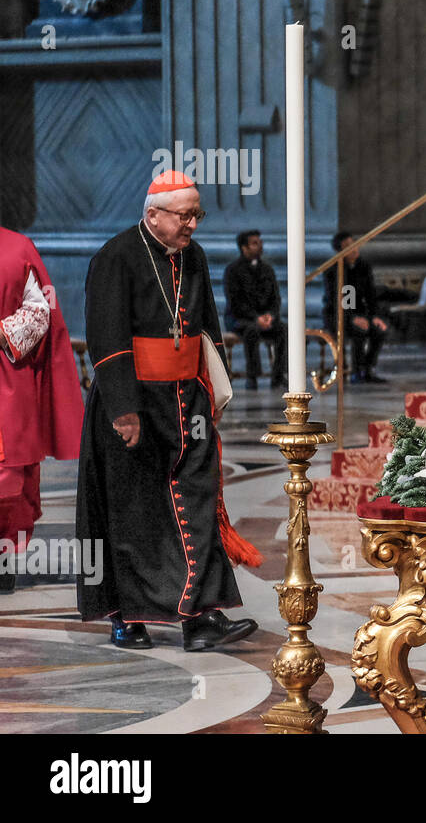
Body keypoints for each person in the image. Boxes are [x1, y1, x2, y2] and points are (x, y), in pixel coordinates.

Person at [76, 169, 260, 651]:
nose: (193, 224)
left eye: (197, 214)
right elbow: (107, 339)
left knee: (197, 502)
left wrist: (213, 388)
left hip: (185, 400)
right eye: (185, 215)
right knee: (132, 514)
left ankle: (200, 618)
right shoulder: (116, 256)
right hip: (133, 404)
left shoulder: (193, 257)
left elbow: (206, 327)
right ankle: (126, 617)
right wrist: (123, 410)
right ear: (153, 215)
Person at [0, 229, 83, 594]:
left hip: (5, 378)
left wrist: (3, 331)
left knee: (7, 479)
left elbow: (39, 310)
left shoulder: (17, 247)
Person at [223, 229, 287, 391]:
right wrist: (256, 317)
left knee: (284, 330)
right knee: (252, 330)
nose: (259, 246)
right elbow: (235, 301)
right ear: (244, 248)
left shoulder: (267, 270)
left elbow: (275, 298)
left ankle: (278, 375)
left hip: (266, 318)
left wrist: (270, 316)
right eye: (254, 243)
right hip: (240, 318)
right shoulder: (233, 270)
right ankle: (252, 376)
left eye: (260, 243)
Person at [323, 232, 389, 384]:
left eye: (354, 244)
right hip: (338, 316)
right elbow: (336, 300)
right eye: (348, 246)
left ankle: (368, 368)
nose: (354, 249)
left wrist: (374, 316)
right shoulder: (333, 270)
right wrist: (352, 318)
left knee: (379, 330)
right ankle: (356, 371)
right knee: (359, 330)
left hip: (360, 314)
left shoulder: (363, 267)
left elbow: (370, 295)